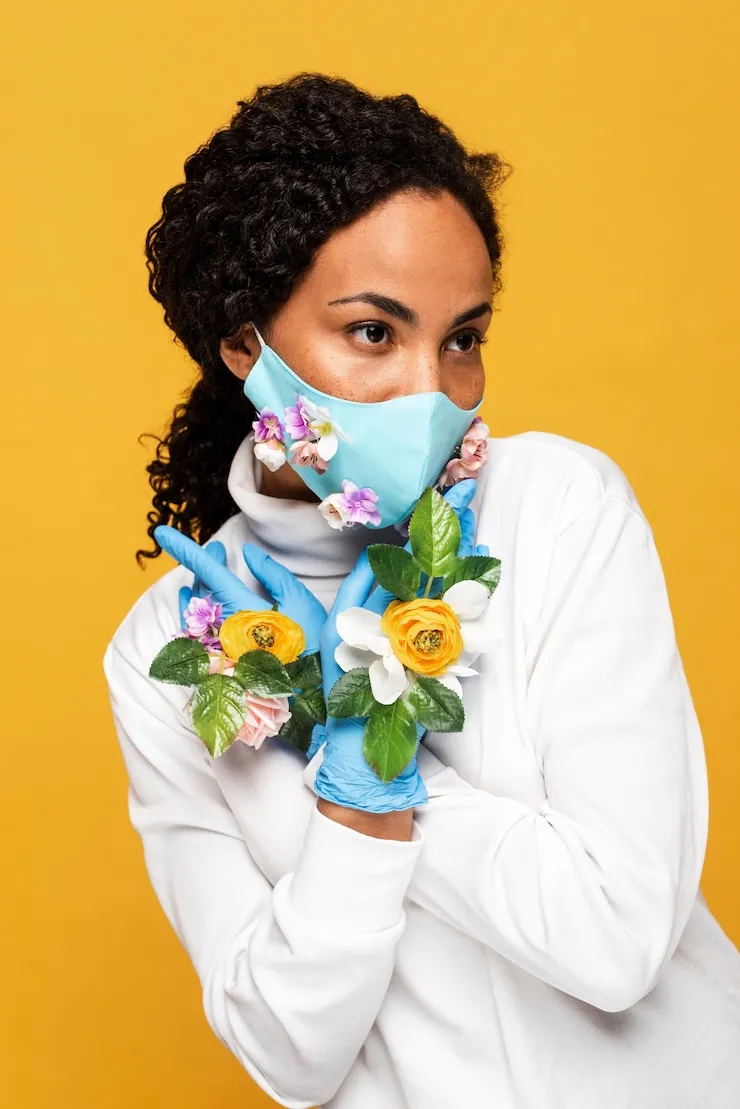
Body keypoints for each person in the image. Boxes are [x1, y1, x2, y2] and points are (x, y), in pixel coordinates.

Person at [102, 72, 740, 1109]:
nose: (427, 390)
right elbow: (287, 1051)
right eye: (370, 332)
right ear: (242, 344)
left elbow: (616, 938)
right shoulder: (170, 646)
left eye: (461, 338)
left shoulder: (555, 510)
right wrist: (356, 816)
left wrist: (371, 749)